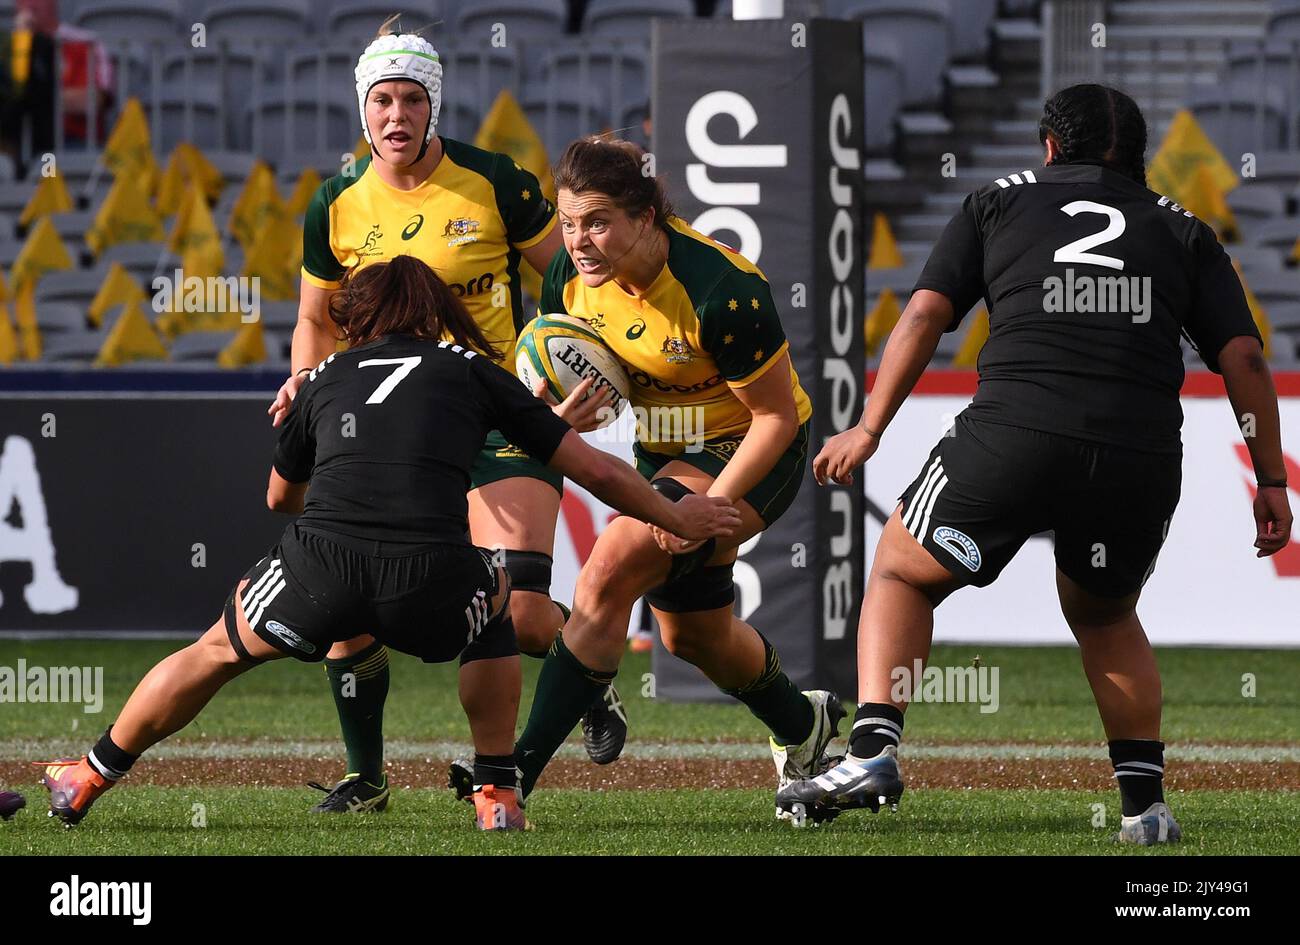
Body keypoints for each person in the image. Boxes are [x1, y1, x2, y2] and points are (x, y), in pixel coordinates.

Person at [36, 256, 740, 831]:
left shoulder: (321, 380)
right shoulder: (474, 371)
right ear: (434, 313)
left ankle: (90, 773)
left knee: (214, 649)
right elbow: (592, 468)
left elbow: (280, 499)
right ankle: (496, 792)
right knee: (500, 595)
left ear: (355, 319)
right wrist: (681, 518)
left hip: (320, 569)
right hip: (429, 580)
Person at [777, 85, 1293, 844]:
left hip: (1014, 433)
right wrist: (1272, 476)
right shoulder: (1185, 228)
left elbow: (923, 313)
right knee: (1107, 615)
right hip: (1137, 451)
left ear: (1049, 146)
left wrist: (870, 426)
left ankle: (872, 751)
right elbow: (1244, 356)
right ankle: (1144, 809)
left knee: (900, 570)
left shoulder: (996, 201)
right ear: (1139, 158)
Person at [266, 22, 629, 814]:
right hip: (382, 428)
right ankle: (367, 775)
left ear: (435, 108)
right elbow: (314, 317)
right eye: (382, 101)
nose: (396, 116)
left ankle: (585, 668)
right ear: (362, 112)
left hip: (497, 413)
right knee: (346, 608)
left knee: (527, 617)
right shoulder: (334, 201)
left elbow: (570, 277)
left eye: (410, 100)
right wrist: (303, 380)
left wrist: (565, 362)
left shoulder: (495, 180)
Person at [502, 136, 843, 812]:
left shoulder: (722, 289)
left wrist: (704, 507)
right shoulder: (566, 280)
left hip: (754, 448)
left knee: (612, 562)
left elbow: (775, 418)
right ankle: (806, 728)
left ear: (648, 215)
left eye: (597, 221)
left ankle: (510, 777)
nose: (578, 240)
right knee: (693, 636)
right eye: (568, 223)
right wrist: (564, 409)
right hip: (665, 454)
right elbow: (560, 371)